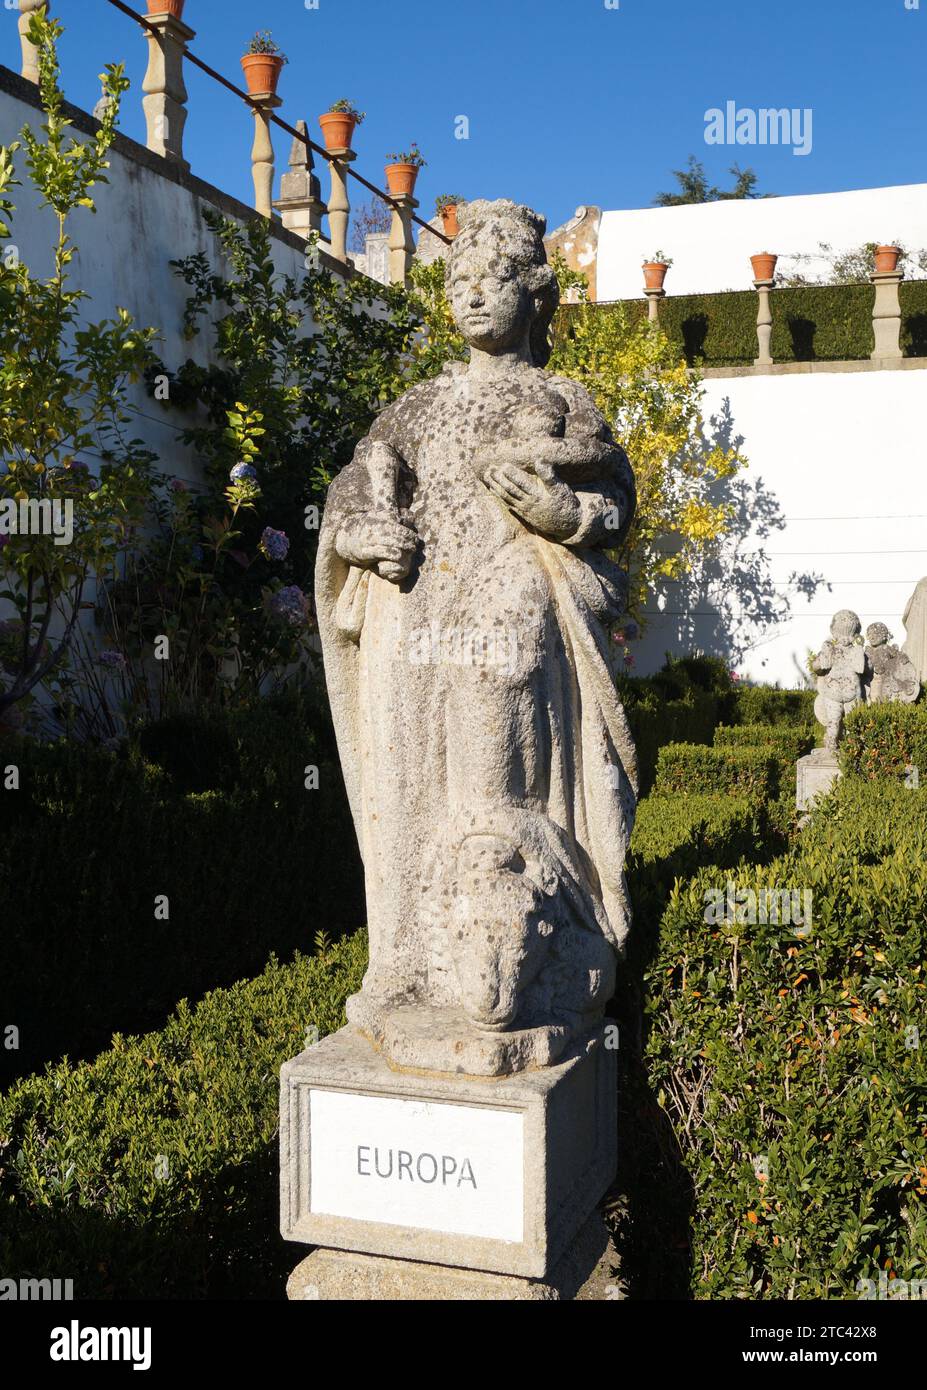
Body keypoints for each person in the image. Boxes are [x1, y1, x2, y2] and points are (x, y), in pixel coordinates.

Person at [315, 200, 637, 1072]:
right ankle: (405, 964)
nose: (472, 295)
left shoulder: (563, 401)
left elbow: (615, 506)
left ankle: (518, 964)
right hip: (411, 625)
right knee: (406, 795)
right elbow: (354, 493)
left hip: (507, 625)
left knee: (496, 802)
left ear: (536, 294)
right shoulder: (414, 409)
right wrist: (359, 536)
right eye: (458, 281)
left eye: (493, 279)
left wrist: (567, 514)